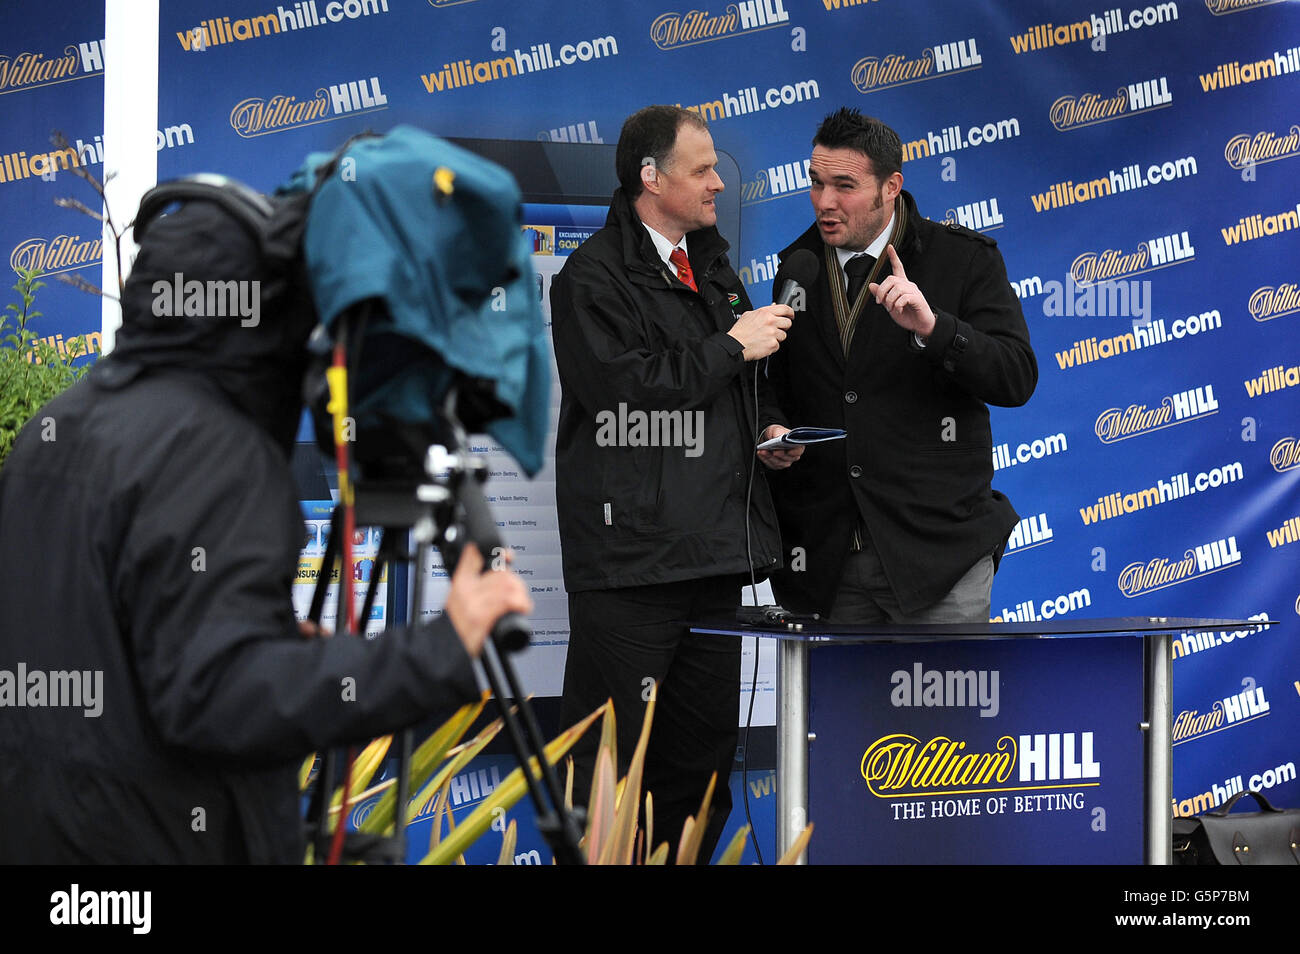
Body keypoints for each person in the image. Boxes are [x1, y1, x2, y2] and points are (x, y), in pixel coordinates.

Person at [0, 195, 532, 863]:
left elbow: (127, 643)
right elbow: (216, 698)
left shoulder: (56, 427)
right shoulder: (213, 449)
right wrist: (439, 648)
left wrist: (263, 641)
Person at [550, 105, 794, 861]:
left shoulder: (714, 267)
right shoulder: (588, 278)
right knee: (606, 771)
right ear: (651, 180)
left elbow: (741, 377)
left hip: (714, 558)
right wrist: (729, 347)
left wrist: (772, 430)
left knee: (701, 768)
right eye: (702, 169)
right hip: (632, 568)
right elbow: (624, 395)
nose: (719, 181)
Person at [762, 107, 1037, 624]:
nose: (825, 202)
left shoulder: (963, 259)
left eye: (845, 185)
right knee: (841, 709)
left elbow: (1016, 375)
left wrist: (936, 330)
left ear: (892, 186)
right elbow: (777, 385)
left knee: (945, 705)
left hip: (937, 556)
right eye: (816, 182)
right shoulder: (795, 266)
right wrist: (771, 428)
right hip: (829, 559)